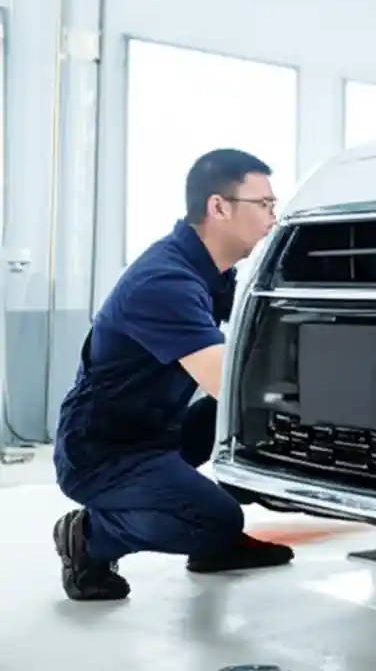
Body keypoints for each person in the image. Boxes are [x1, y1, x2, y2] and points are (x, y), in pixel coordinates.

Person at [51, 148, 294, 601]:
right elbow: (229, 382)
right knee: (220, 514)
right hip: (102, 451)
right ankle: (90, 535)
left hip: (153, 429)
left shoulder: (210, 273)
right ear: (219, 207)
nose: (273, 219)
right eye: (264, 205)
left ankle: (212, 544)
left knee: (250, 414)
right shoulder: (165, 281)